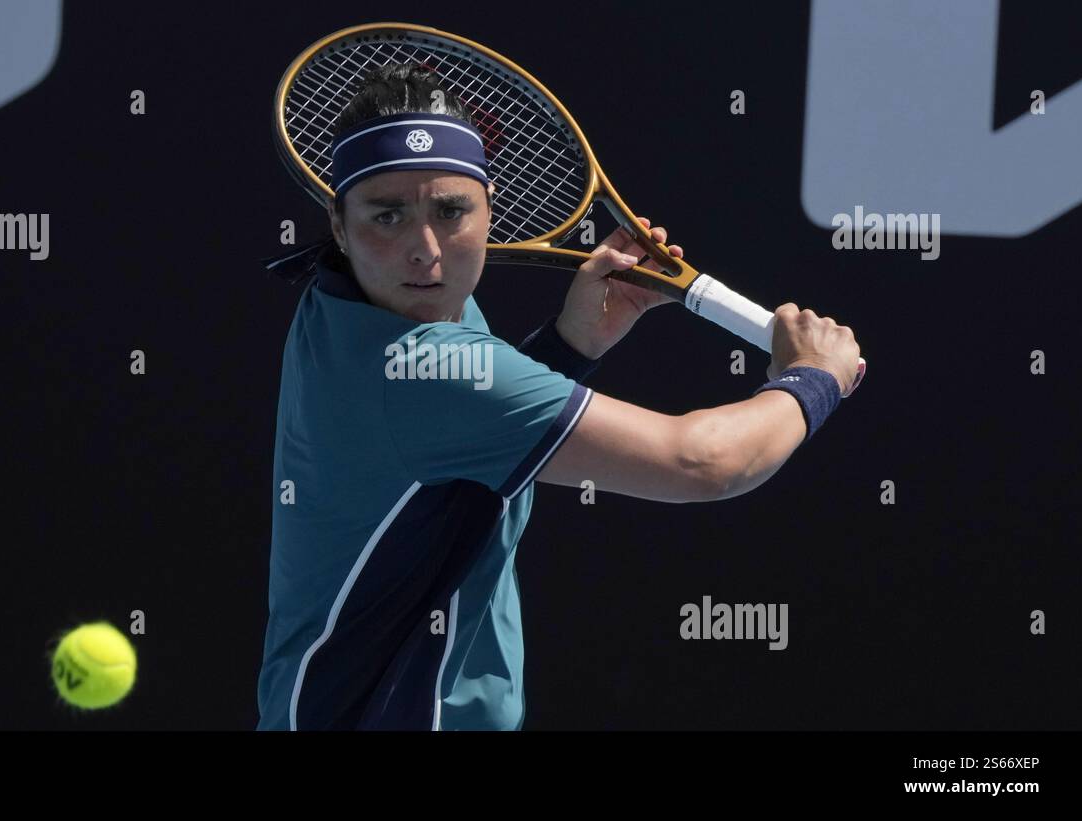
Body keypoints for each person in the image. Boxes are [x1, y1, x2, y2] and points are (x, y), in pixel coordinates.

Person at [257, 63, 861, 730]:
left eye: (451, 210)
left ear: (490, 207)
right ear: (337, 226)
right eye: (387, 215)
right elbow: (702, 464)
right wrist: (811, 380)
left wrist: (571, 344)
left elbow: (453, 463)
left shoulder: (355, 303)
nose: (424, 249)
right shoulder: (426, 364)